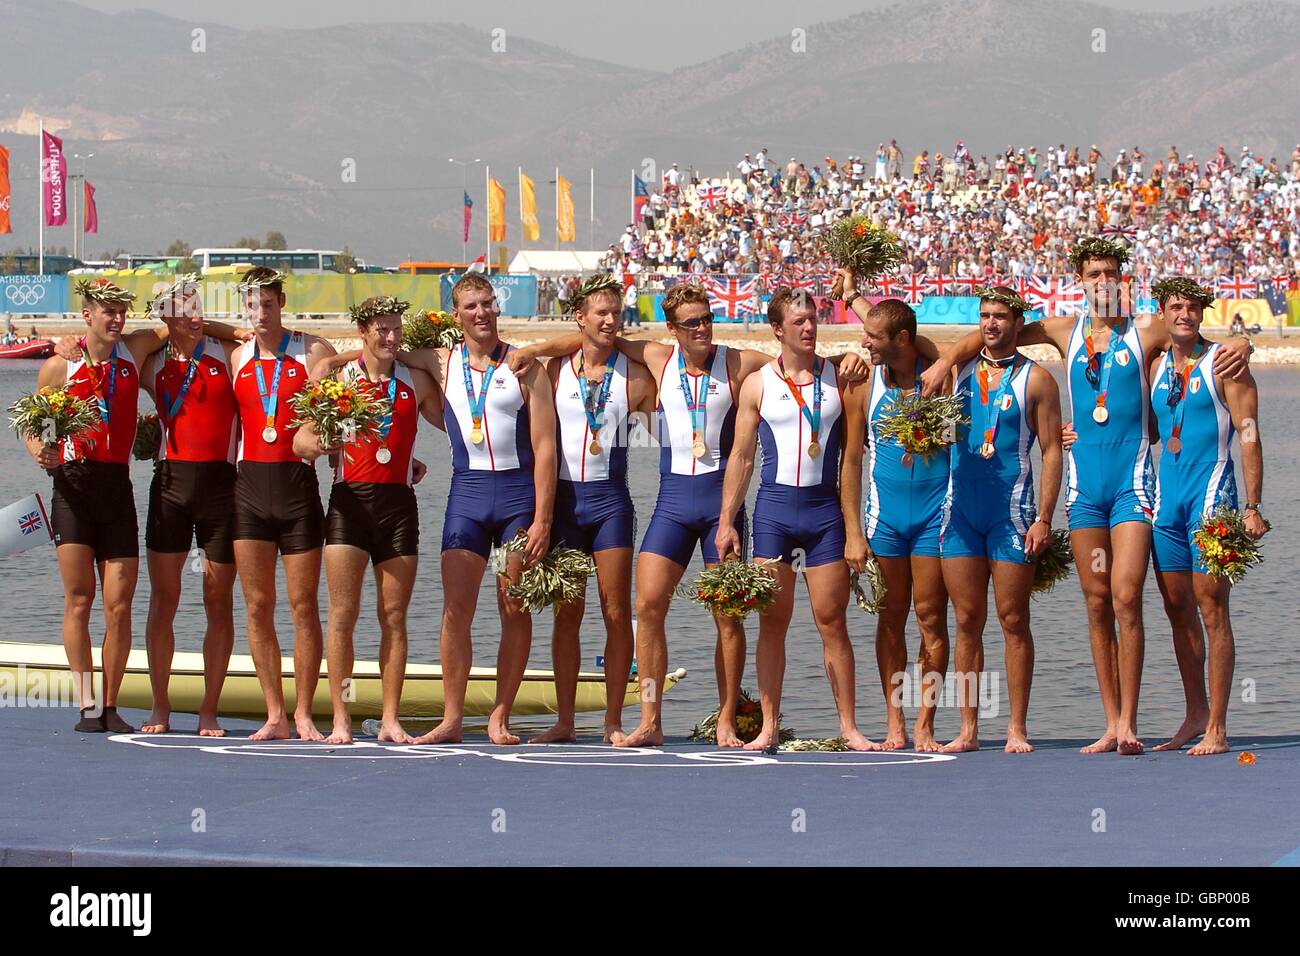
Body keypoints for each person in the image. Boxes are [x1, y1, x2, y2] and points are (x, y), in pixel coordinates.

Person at [922, 236, 1253, 755]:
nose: (1103, 282)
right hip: (1083, 485)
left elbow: (1199, 335)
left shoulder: (1147, 331)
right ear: (1080, 280)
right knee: (1096, 602)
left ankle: (1132, 722)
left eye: (1110, 274)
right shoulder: (1061, 331)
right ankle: (1110, 721)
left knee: (1126, 596)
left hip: (1134, 484)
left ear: (1123, 280)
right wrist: (945, 362)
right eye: (1093, 274)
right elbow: (996, 336)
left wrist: (1245, 344)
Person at [512, 283, 871, 747]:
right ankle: (650, 719)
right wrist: (538, 347)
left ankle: (725, 719)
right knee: (647, 607)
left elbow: (798, 365)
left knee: (729, 618)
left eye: (707, 318)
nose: (702, 328)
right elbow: (596, 339)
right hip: (673, 504)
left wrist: (846, 363)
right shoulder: (660, 359)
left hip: (721, 506)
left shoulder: (738, 363)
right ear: (672, 328)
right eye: (692, 322)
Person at [326, 274, 556, 745]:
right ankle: (452, 717)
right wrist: (336, 361)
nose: (481, 313)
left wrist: (543, 519)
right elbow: (380, 350)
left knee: (513, 607)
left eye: (488, 304)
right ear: (456, 316)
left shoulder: (523, 365)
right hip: (466, 496)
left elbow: (547, 447)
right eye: (471, 306)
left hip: (517, 499)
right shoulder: (438, 362)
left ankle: (500, 715)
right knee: (456, 610)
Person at [27, 279, 225, 731]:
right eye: (107, 311)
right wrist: (39, 449)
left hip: (117, 489)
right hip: (73, 487)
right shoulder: (59, 366)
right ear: (87, 316)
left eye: (121, 311)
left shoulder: (134, 351)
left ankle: (111, 705)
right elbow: (36, 425)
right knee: (80, 599)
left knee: (119, 605)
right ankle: (86, 704)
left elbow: (183, 323)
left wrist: (235, 330)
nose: (116, 319)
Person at [1083, 279, 1265, 755]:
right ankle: (1194, 714)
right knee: (1177, 609)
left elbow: (1248, 435)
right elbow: (1134, 425)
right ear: (1161, 312)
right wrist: (1071, 434)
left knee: (1212, 609)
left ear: (1204, 312)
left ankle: (1219, 728)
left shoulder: (1227, 365)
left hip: (1213, 498)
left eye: (1192, 307)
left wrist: (1253, 506)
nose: (1184, 314)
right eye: (1175, 306)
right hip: (1167, 502)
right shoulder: (1157, 364)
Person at [715, 288, 876, 752]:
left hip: (825, 513)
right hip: (774, 514)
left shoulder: (843, 377)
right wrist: (727, 521)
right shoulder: (758, 384)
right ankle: (768, 726)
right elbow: (742, 457)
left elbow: (850, 461)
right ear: (778, 330)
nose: (809, 328)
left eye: (814, 319)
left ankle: (848, 726)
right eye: (799, 321)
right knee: (773, 623)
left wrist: (853, 531)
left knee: (833, 622)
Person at [296, 297, 440, 744]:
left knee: (393, 617)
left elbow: (457, 419)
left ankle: (391, 719)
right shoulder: (340, 381)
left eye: (396, 329)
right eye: (382, 330)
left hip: (398, 504)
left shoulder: (414, 381)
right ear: (363, 331)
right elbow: (300, 439)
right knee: (342, 615)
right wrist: (319, 445)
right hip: (349, 503)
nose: (391, 337)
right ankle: (341, 717)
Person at [531, 275, 656, 744]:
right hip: (564, 503)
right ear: (579, 318)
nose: (609, 321)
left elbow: (664, 430)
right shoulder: (554, 371)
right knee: (568, 613)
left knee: (616, 612)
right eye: (599, 313)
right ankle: (565, 721)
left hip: (610, 502)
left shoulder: (637, 374)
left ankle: (613, 720)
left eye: (616, 313)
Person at [939, 286, 1062, 753]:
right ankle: (969, 728)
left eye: (1000, 317)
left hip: (1012, 515)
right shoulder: (957, 371)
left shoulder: (1037, 380)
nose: (990, 324)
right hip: (961, 515)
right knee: (966, 619)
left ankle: (1016, 727)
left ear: (1018, 322)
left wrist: (1044, 518)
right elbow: (896, 339)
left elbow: (1051, 453)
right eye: (984, 316)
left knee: (1013, 619)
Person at [838, 277, 951, 752]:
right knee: (890, 618)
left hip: (934, 519)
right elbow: (850, 462)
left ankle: (925, 722)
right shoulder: (864, 385)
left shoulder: (945, 377)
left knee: (931, 619)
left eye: (874, 337)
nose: (864, 342)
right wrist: (852, 533)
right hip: (884, 521)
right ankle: (894, 723)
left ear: (903, 340)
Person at [228, 266, 338, 741]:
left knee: (303, 605)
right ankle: (274, 712)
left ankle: (304, 713)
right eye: (252, 306)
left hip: (298, 491)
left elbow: (351, 391)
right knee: (256, 605)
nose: (260, 314)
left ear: (281, 303)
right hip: (249, 491)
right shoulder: (236, 357)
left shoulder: (312, 351)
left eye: (268, 304)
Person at [138, 276, 239, 737]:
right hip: (171, 485)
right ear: (165, 316)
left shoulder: (227, 357)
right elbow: (114, 342)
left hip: (221, 485)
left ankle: (209, 710)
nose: (196, 314)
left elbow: (248, 337)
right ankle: (160, 706)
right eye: (184, 308)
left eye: (199, 307)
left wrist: (200, 323)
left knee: (218, 601)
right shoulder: (150, 363)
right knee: (165, 601)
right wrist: (169, 323)